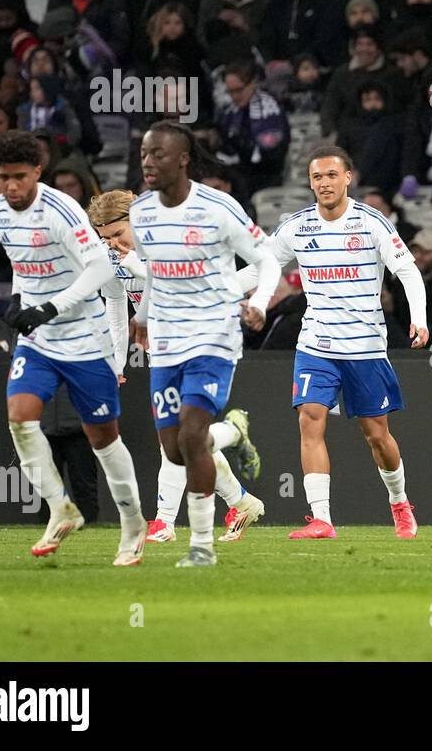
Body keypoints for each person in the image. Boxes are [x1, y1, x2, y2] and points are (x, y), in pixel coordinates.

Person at [246, 146, 428, 540]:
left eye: (331, 175)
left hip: (365, 347)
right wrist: (223, 289)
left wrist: (419, 318)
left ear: (348, 178)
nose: (324, 183)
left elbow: (408, 271)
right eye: (317, 177)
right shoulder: (297, 226)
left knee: (377, 435)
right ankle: (322, 519)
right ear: (310, 182)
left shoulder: (371, 222)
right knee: (309, 417)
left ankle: (399, 503)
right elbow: (263, 267)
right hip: (316, 344)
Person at [0, 130, 145, 564]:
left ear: (38, 171)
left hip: (85, 338)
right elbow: (23, 265)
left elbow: (99, 270)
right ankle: (60, 508)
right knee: (20, 416)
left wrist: (50, 307)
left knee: (103, 439)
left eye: (19, 176)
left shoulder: (62, 210)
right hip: (40, 338)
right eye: (3, 177)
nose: (11, 186)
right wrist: (20, 299)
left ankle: (133, 523)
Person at [130, 123, 280, 567]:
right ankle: (232, 432)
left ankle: (201, 546)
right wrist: (142, 317)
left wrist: (259, 302)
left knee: (192, 434)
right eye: (144, 154)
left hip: (213, 336)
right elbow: (155, 272)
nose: (148, 162)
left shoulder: (218, 207)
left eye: (158, 154)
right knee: (175, 448)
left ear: (183, 159)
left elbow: (267, 259)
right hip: (167, 341)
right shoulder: (141, 213)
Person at [87, 189, 263, 544]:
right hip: (164, 348)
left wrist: (226, 290)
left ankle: (164, 522)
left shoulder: (169, 241)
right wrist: (116, 362)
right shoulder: (110, 257)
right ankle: (241, 498)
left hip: (205, 337)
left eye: (118, 234)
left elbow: (172, 281)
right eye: (104, 238)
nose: (113, 245)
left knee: (181, 433)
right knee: (182, 437)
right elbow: (116, 307)